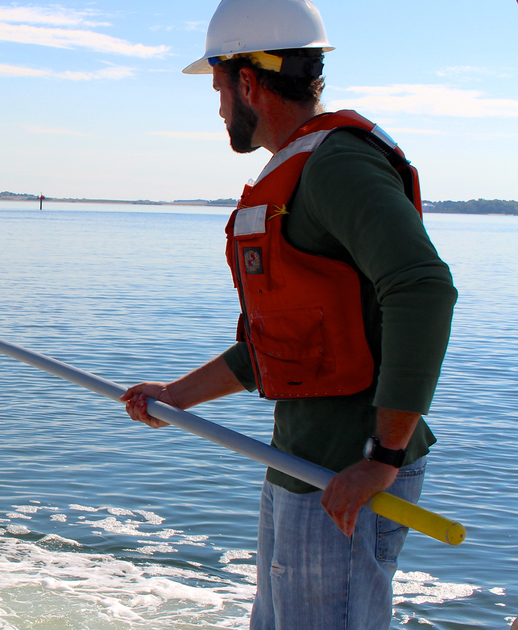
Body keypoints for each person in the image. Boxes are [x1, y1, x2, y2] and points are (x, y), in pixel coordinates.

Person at [118, 0, 457, 628]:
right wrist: (176, 395)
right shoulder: (298, 171)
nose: (218, 105)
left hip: (346, 474)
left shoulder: (337, 167)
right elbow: (283, 342)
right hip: (301, 466)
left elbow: (423, 289)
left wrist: (382, 456)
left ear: (248, 81)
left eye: (218, 87)